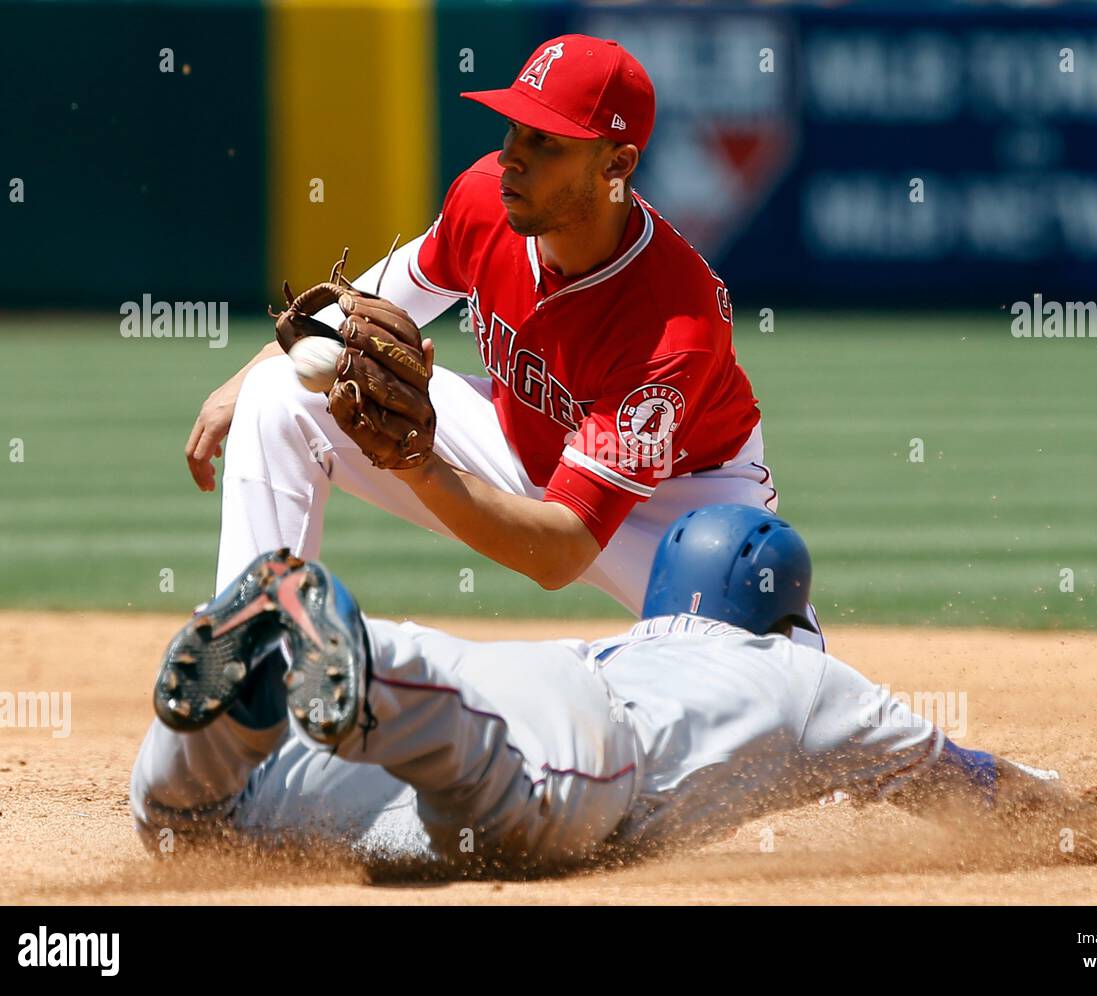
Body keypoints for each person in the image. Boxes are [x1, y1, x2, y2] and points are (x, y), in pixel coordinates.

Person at [183, 34, 824, 648]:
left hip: (677, 506)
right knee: (279, 387)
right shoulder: (485, 200)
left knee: (784, 718)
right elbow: (353, 312)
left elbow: (561, 551)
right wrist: (239, 383)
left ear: (617, 165)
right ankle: (252, 654)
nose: (514, 155)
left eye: (546, 142)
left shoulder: (670, 326)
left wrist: (421, 465)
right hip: (521, 440)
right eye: (513, 127)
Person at [130, 505, 1097, 873]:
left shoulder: (632, 641)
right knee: (504, 783)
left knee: (196, 828)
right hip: (575, 744)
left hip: (441, 749)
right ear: (786, 610)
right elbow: (969, 783)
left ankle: (247, 703)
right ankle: (345, 637)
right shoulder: (811, 676)